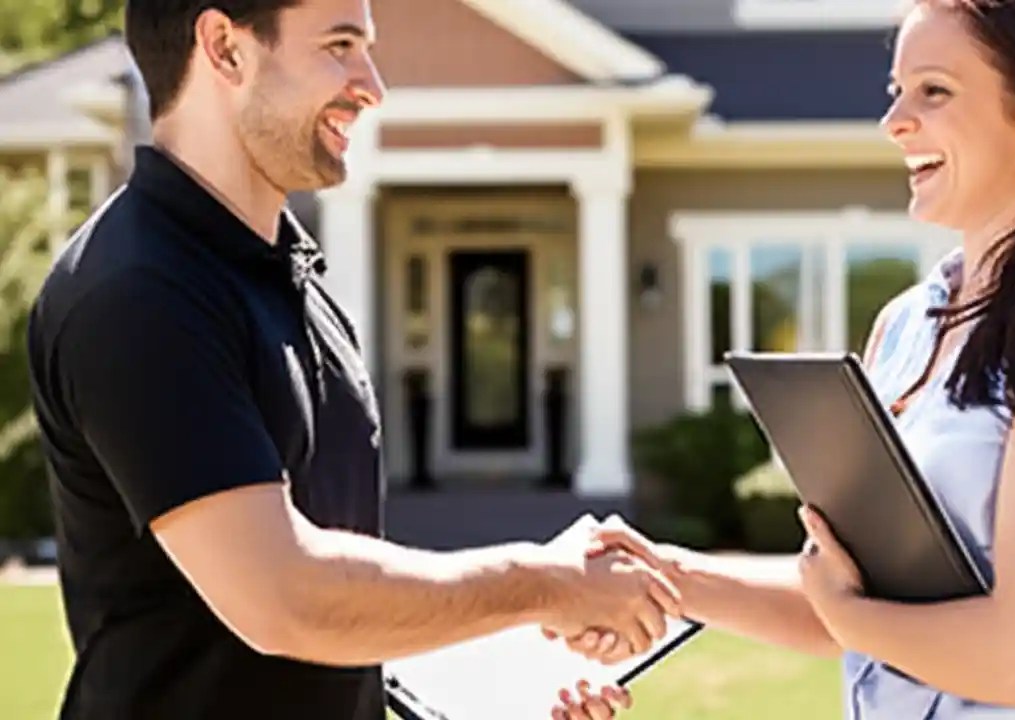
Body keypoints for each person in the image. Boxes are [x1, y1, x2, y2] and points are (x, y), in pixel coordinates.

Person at [548, 0, 1015, 718]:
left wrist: (845, 612)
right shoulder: (907, 325)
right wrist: (660, 575)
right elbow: (858, 605)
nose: (895, 122)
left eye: (934, 90)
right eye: (897, 91)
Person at [25, 1, 680, 718]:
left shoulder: (295, 289)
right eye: (339, 46)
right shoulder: (138, 290)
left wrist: (505, 681)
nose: (372, 85)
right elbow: (283, 598)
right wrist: (547, 585)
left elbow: (337, 622)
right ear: (225, 48)